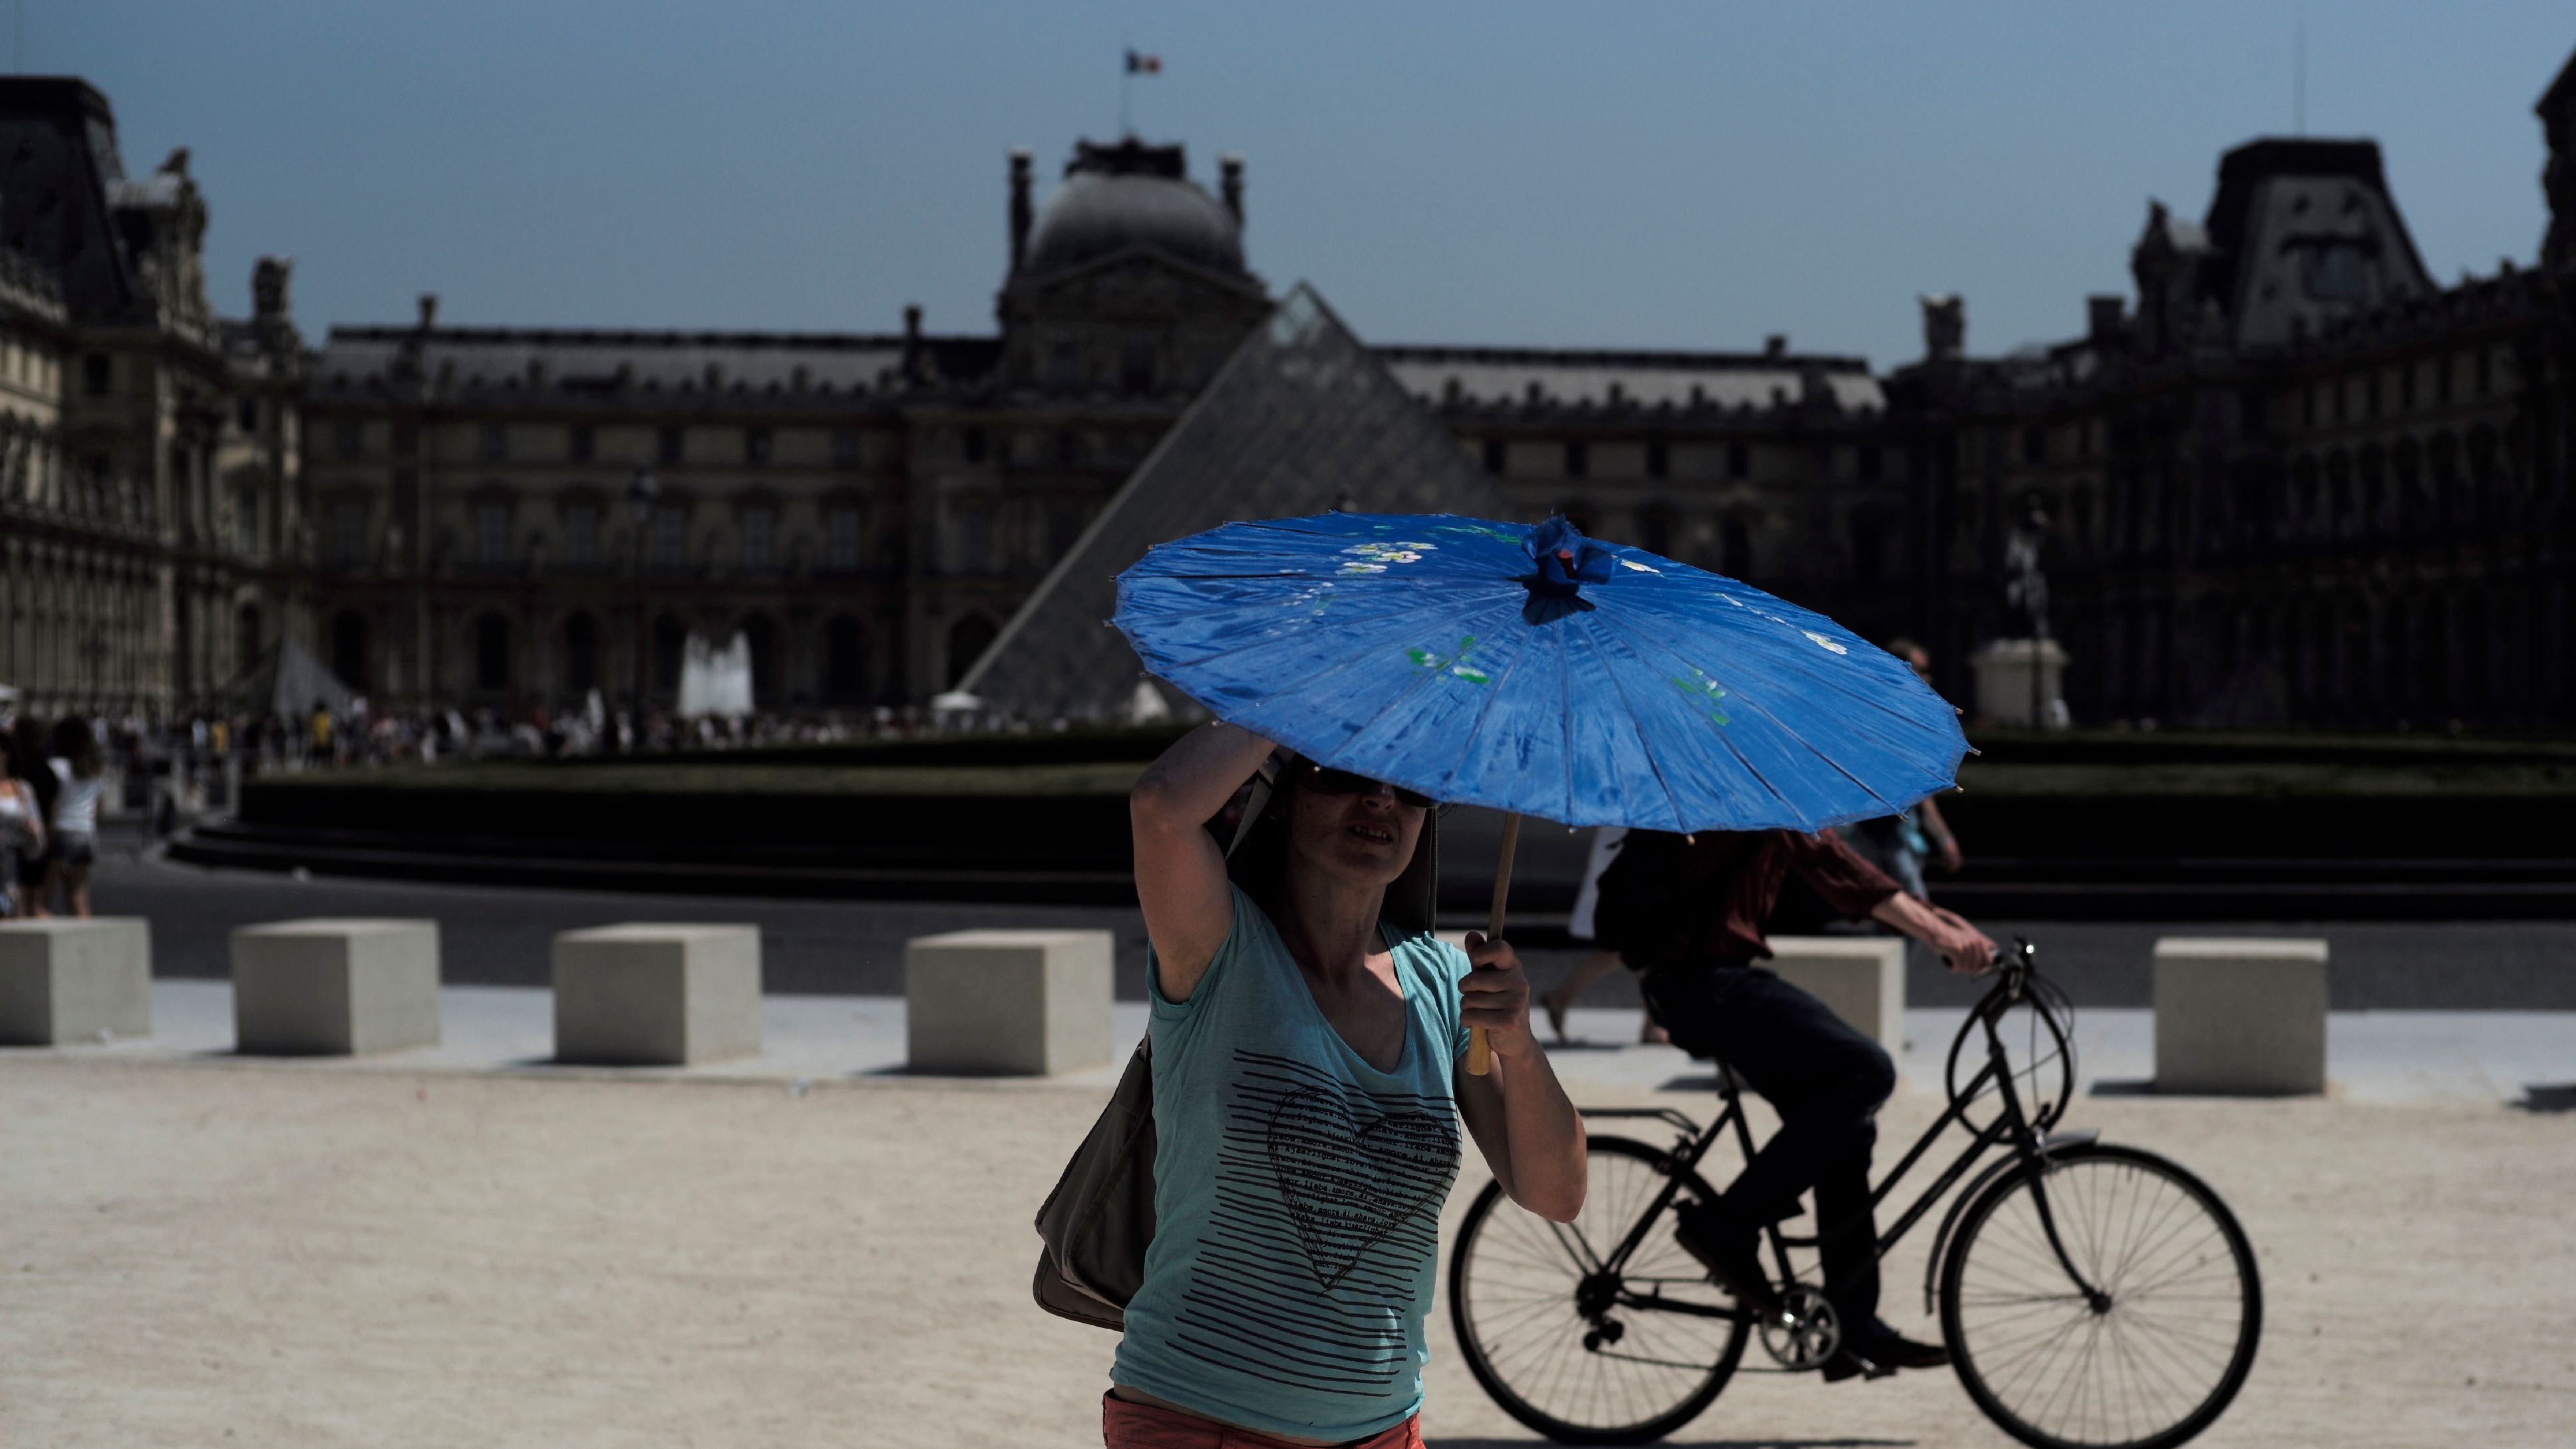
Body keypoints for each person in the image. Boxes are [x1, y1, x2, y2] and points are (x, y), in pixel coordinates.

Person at [1114, 722, 1587, 1448]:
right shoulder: (1219, 947)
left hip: (1383, 1431)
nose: (1378, 800)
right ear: (1281, 795)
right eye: (1340, 772)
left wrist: (1519, 1048)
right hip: (1198, 1419)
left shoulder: (1447, 983)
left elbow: (1555, 1193)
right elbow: (1160, 808)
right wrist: (1297, 698)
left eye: (1410, 785)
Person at [1597, 826, 1997, 1381]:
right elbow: (1833, 865)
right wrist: (1936, 933)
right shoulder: (1747, 774)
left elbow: (1840, 864)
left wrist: (1944, 928)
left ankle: (1853, 1324)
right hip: (1702, 982)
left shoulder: (1745, 771)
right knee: (1866, 1070)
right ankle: (1726, 1226)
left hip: (1705, 979)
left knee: (1846, 1124)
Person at [1539, 827, 1669, 1045]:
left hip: (1633, 847)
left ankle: (1652, 1024)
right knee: (1636, 942)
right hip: (1634, 851)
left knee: (1642, 942)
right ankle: (1562, 996)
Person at [45, 723, 106, 920]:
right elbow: (100, 807)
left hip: (61, 831)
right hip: (85, 833)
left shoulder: (56, 767)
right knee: (79, 899)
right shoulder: (95, 772)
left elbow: (53, 805)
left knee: (44, 898)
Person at [0, 734, 43, 917]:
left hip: (14, 869)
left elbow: (38, 840)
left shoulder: (23, 790)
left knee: (17, 919)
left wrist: (31, 833)